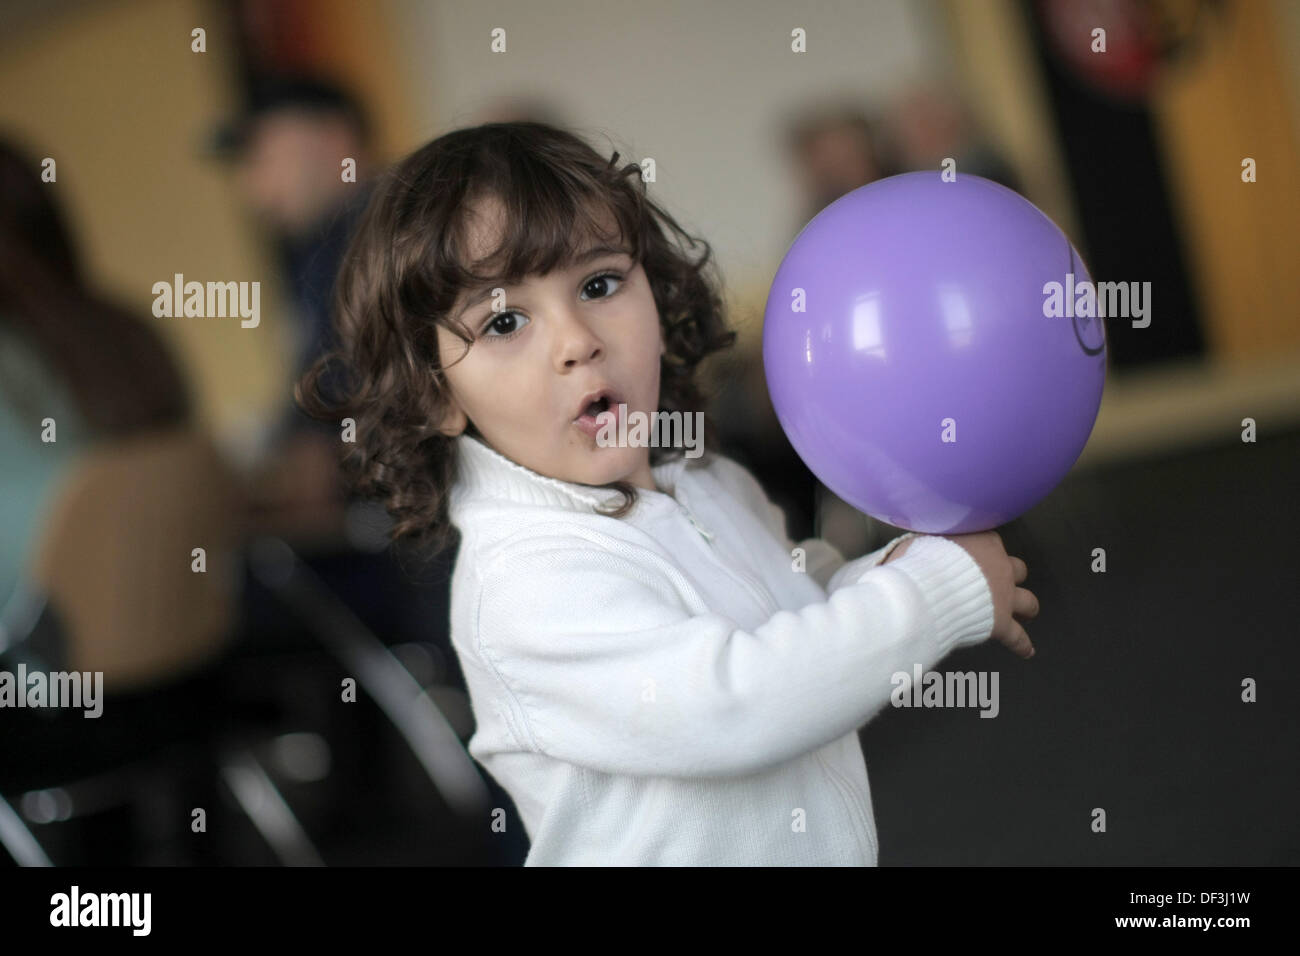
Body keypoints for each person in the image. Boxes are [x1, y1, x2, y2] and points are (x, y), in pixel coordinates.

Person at [297, 121, 1039, 865]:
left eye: (600, 284)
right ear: (436, 396)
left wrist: (895, 570)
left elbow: (793, 625)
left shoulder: (712, 484)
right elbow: (742, 699)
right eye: (504, 321)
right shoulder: (525, 580)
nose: (576, 339)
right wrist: (937, 593)